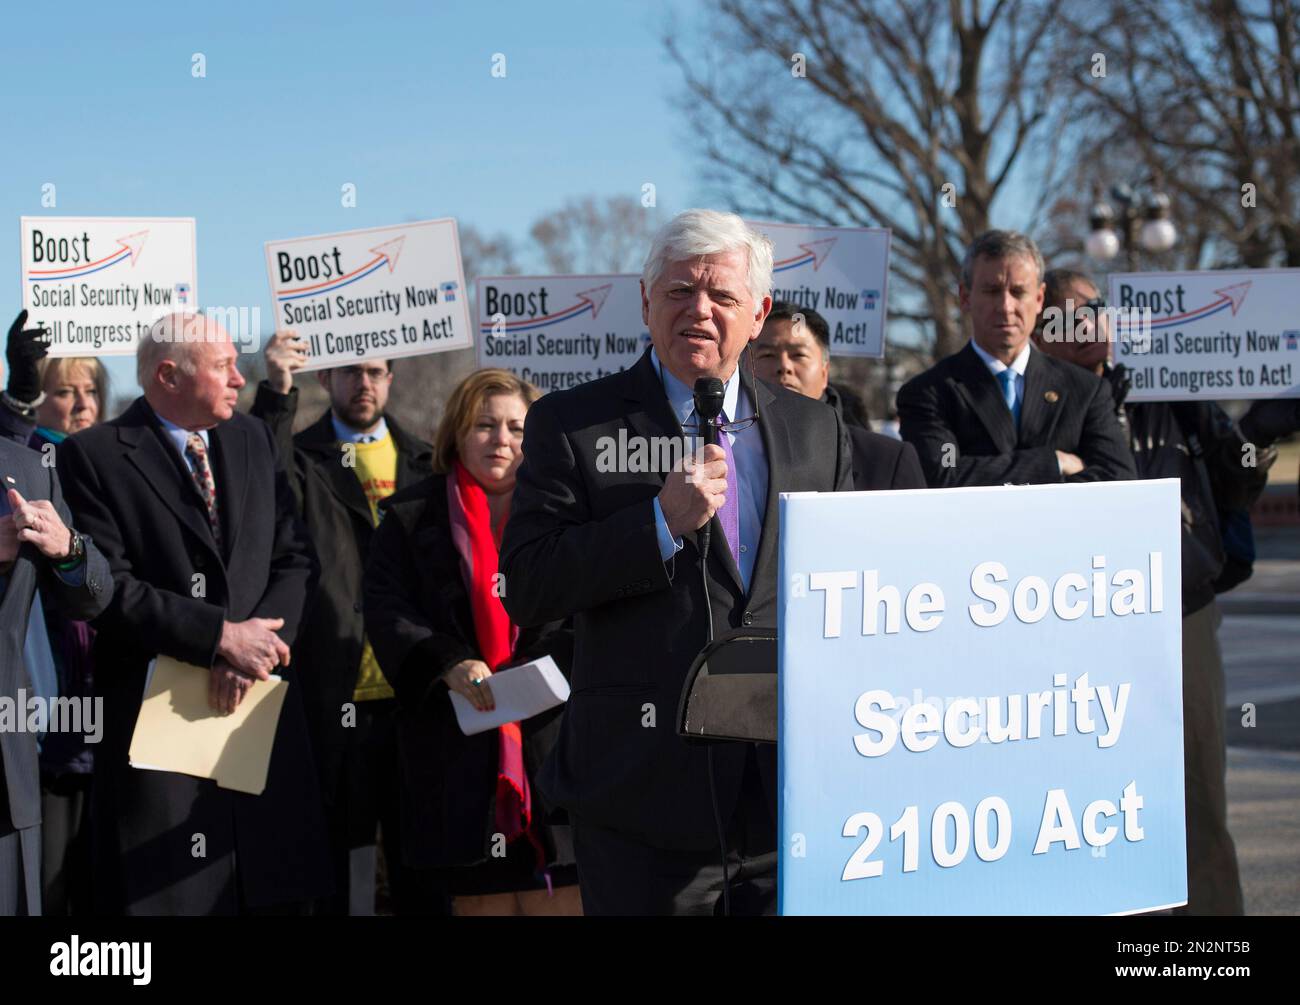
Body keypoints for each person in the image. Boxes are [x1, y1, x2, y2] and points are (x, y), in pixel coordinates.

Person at [499, 209, 853, 916]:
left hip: (789, 798)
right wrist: (656, 523)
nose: (699, 310)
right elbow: (529, 583)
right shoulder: (574, 423)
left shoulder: (816, 426)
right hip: (643, 805)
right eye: (679, 291)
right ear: (644, 302)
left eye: (721, 296)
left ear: (759, 312)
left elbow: (846, 586)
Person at [56, 312, 331, 915]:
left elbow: (295, 559)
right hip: (158, 743)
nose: (240, 377)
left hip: (258, 720)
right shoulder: (94, 455)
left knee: (271, 887)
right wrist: (218, 639)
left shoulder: (253, 439)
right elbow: (108, 588)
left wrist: (255, 648)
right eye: (223, 366)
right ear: (168, 375)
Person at [1032, 267, 1279, 915]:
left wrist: (1258, 432)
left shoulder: (1170, 387)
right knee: (1088, 806)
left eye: (1095, 311)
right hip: (1073, 626)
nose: (1088, 325)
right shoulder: (1030, 406)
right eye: (1066, 316)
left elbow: (1233, 483)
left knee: (1197, 799)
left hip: (1179, 610)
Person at [364, 368, 578, 916]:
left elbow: (589, 609)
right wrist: (448, 663)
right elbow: (387, 611)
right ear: (457, 432)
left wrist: (533, 673)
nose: (501, 439)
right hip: (456, 748)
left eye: (515, 427)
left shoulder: (567, 512)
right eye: (484, 425)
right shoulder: (410, 518)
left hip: (551, 748)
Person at [250, 333, 436, 915]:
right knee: (330, 868)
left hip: (417, 696)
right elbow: (262, 468)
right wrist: (277, 389)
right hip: (334, 696)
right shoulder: (301, 456)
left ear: (391, 378)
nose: (364, 383)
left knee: (422, 867)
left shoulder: (426, 460)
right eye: (350, 370)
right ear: (324, 378)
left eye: (377, 371)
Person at [2, 312, 110, 915]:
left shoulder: (100, 464)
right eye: (63, 390)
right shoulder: (21, 457)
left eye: (91, 390)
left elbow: (100, 587)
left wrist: (73, 552)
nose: (80, 404)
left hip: (94, 713)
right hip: (33, 719)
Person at [896, 230, 1136, 487]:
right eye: (992, 291)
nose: (1006, 306)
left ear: (1039, 299)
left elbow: (1118, 481)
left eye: (1018, 292)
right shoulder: (928, 394)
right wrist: (1053, 463)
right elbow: (942, 476)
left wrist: (984, 473)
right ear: (965, 297)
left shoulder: (1086, 391)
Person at [754, 300, 925, 491]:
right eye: (768, 355)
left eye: (798, 355)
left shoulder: (889, 460)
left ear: (825, 371)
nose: (784, 367)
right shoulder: (725, 451)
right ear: (745, 366)